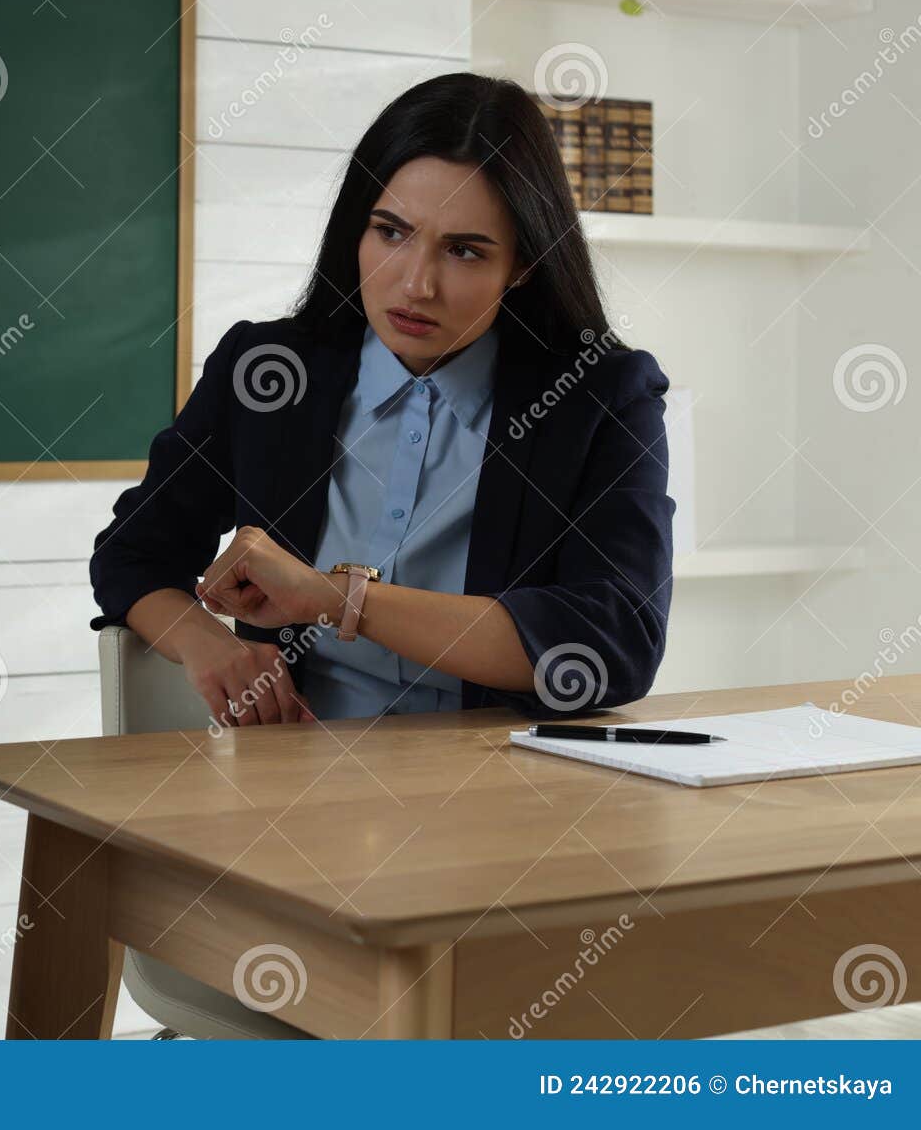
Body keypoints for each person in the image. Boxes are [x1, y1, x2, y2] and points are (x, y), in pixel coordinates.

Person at [90, 73, 674, 727]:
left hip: (506, 795)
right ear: (356, 230)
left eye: (463, 250)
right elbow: (133, 553)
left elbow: (615, 641)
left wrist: (339, 598)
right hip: (290, 792)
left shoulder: (599, 396)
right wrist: (209, 645)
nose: (416, 283)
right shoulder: (268, 373)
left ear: (523, 264)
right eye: (391, 232)